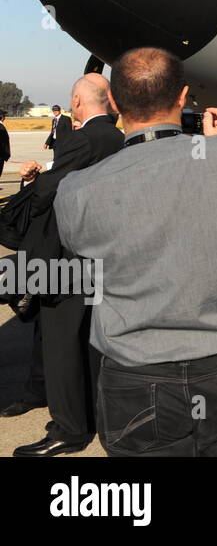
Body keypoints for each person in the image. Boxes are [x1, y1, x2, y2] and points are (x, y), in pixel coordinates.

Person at [54, 49, 217, 456]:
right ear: (184, 96)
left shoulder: (77, 190)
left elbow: (82, 250)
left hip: (135, 377)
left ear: (115, 102)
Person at [1, 74, 123, 456]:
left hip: (67, 259)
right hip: (100, 254)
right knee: (78, 339)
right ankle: (55, 399)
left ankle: (68, 430)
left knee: (61, 344)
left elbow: (47, 194)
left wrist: (30, 184)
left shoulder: (83, 139)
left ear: (77, 101)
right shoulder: (119, 139)